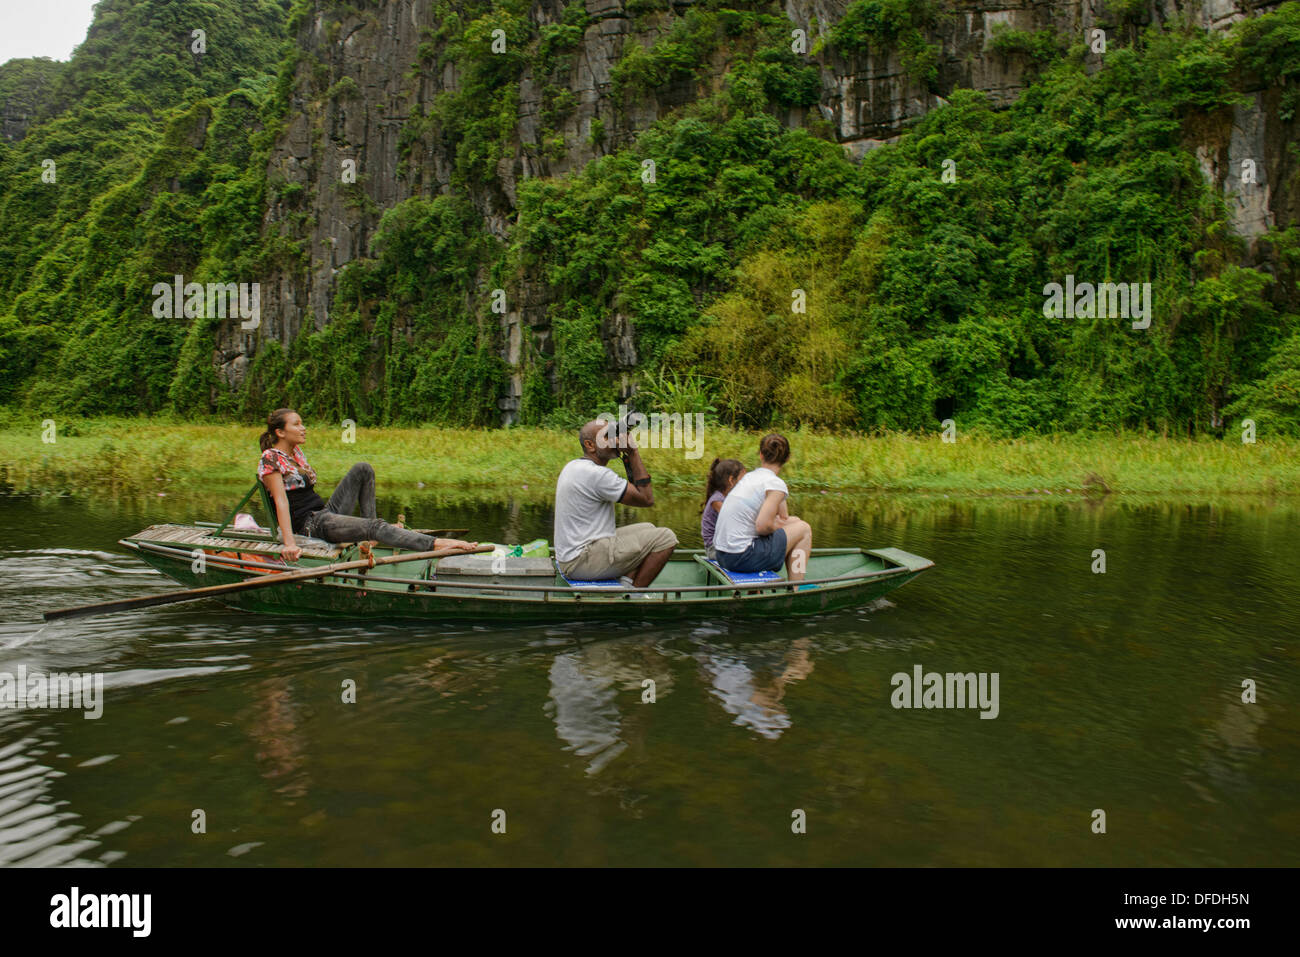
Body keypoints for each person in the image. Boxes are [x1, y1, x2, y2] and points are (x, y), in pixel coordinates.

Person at [257, 408, 476, 562]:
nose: (303, 428)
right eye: (297, 424)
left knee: (363, 468)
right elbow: (281, 502)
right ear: (280, 432)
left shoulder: (295, 453)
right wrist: (289, 543)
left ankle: (371, 533)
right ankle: (436, 543)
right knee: (378, 527)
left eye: (302, 423)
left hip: (323, 514)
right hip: (309, 525)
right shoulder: (270, 459)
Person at [553, 419, 678, 588]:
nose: (614, 440)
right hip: (581, 562)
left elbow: (637, 490)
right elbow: (646, 499)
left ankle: (626, 582)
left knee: (648, 528)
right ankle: (634, 595)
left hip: (572, 556)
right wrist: (633, 453)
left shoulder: (574, 466)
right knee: (666, 537)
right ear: (590, 445)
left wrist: (627, 457)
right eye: (607, 436)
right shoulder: (596, 474)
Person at [712, 433, 812, 581]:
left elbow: (783, 517)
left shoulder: (750, 477)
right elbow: (762, 526)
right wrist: (776, 527)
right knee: (804, 529)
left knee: (795, 521)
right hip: (741, 557)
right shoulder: (774, 484)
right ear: (788, 458)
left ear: (760, 455)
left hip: (721, 554)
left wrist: (780, 523)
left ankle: (792, 581)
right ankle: (797, 587)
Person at [700, 458, 745, 561]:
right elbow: (736, 521)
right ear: (731, 480)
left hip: (723, 547)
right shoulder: (717, 501)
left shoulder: (726, 498)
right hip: (714, 550)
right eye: (743, 480)